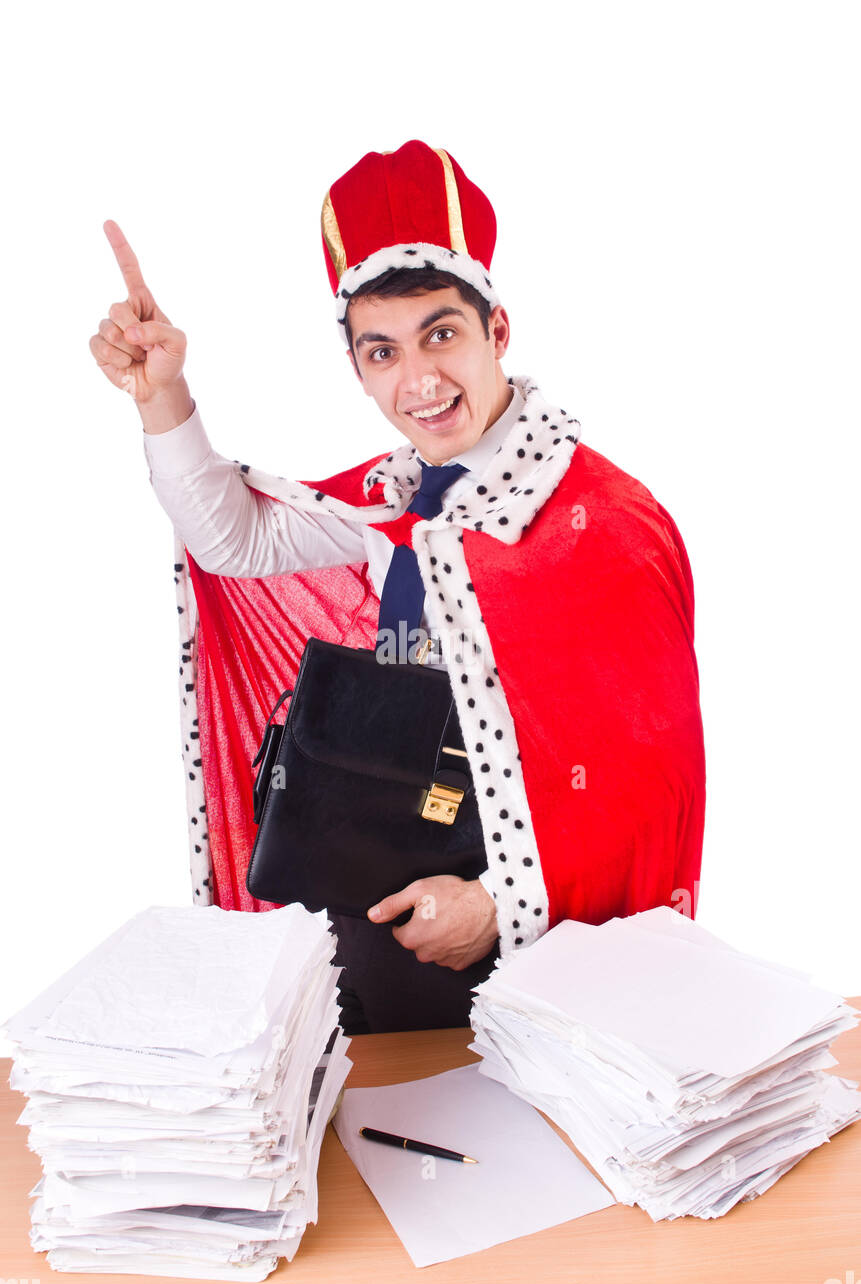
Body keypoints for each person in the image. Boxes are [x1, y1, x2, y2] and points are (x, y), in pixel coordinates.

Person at [90, 139, 706, 1034]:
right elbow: (234, 539)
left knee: (548, 1164)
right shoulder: (395, 502)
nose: (417, 381)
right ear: (356, 366)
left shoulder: (605, 519)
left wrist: (495, 905)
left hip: (546, 942)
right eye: (382, 351)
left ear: (497, 331)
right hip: (385, 905)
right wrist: (162, 394)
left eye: (441, 334)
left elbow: (652, 779)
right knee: (376, 1137)